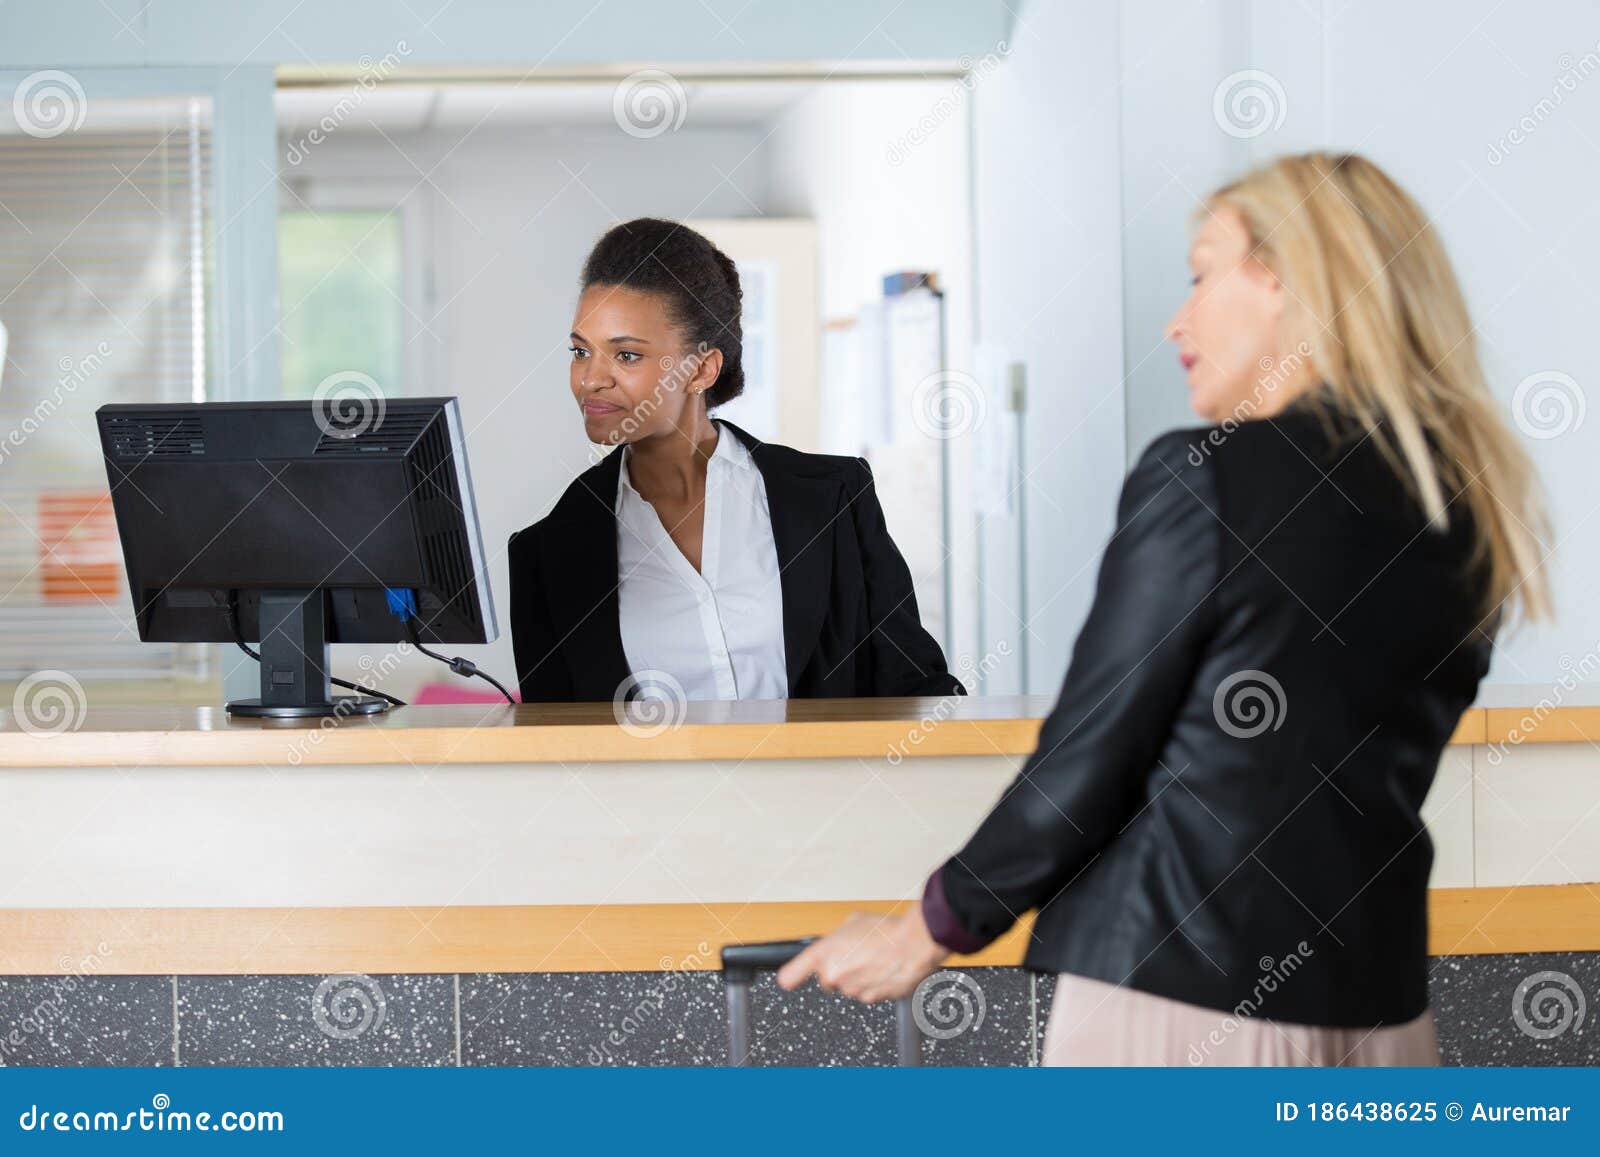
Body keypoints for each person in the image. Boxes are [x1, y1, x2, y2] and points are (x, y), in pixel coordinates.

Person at [778, 152, 1552, 1066]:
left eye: (1200, 273)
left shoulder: (1209, 476)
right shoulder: (1465, 503)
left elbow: (1089, 756)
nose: (1177, 320)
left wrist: (930, 924)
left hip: (1179, 1010)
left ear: (1285, 277)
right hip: (1380, 1019)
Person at [509, 218, 962, 704]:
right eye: (581, 351)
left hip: (822, 781)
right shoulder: (549, 551)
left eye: (626, 356)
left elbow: (914, 683)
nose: (590, 379)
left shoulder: (832, 499)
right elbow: (558, 744)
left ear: (702, 369)